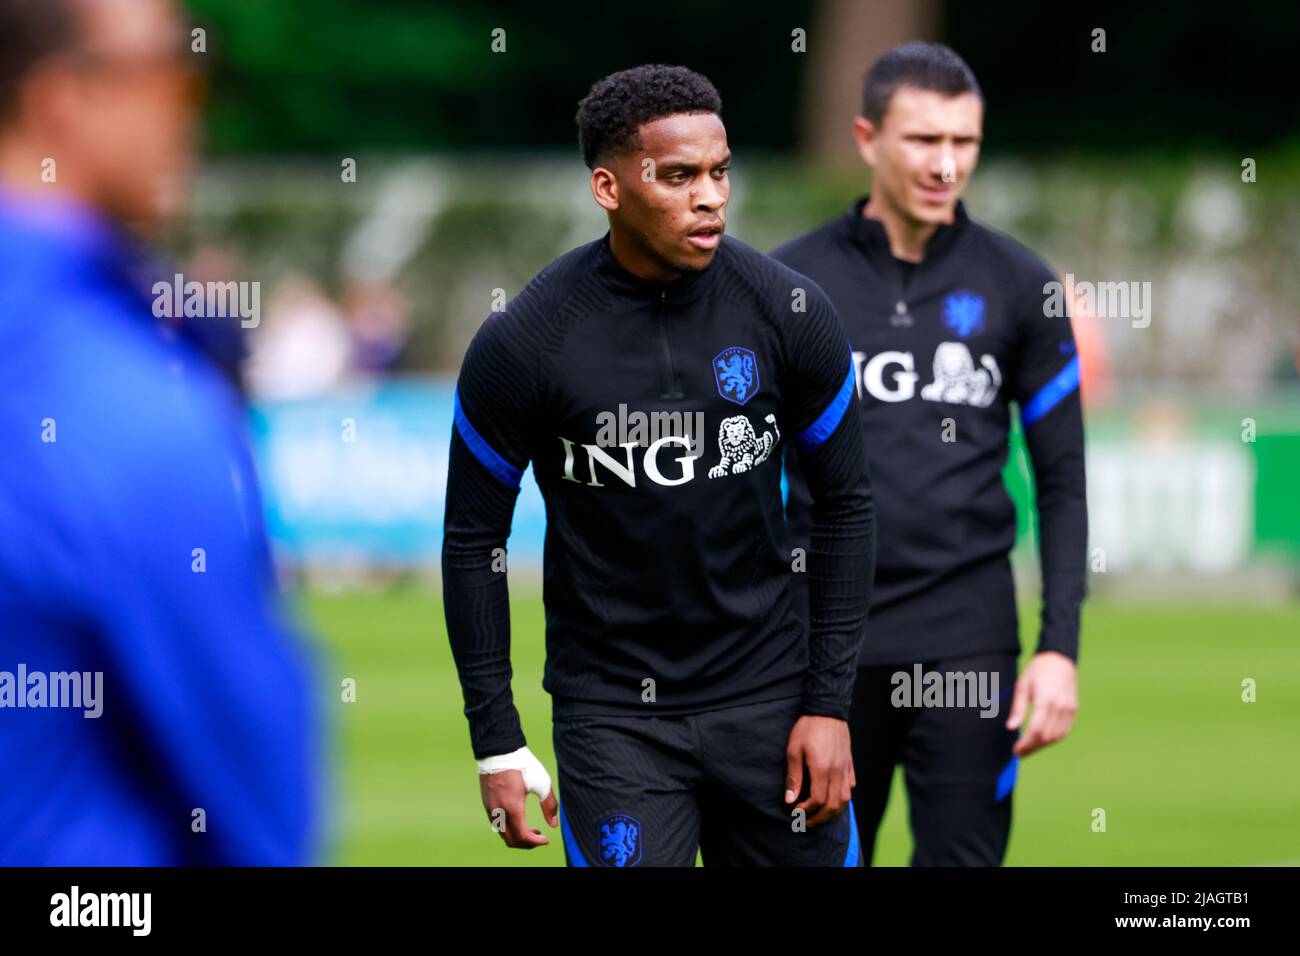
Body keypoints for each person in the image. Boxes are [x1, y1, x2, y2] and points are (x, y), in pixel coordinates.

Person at [442, 64, 874, 866]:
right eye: (678, 176)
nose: (710, 196)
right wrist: (495, 740)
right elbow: (474, 542)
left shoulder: (791, 314)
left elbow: (846, 506)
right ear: (608, 187)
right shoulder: (525, 343)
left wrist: (829, 705)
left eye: (719, 172)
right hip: (613, 722)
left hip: (774, 705)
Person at [0, 0, 321, 865]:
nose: (192, 96)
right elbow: (258, 798)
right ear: (64, 96)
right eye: (172, 63)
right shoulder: (124, 396)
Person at [774, 41, 1087, 866]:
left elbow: (1063, 483)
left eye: (965, 142)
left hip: (968, 640)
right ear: (866, 137)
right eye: (923, 141)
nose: (946, 164)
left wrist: (1059, 647)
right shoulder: (786, 285)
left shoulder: (1023, 286)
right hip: (819, 646)